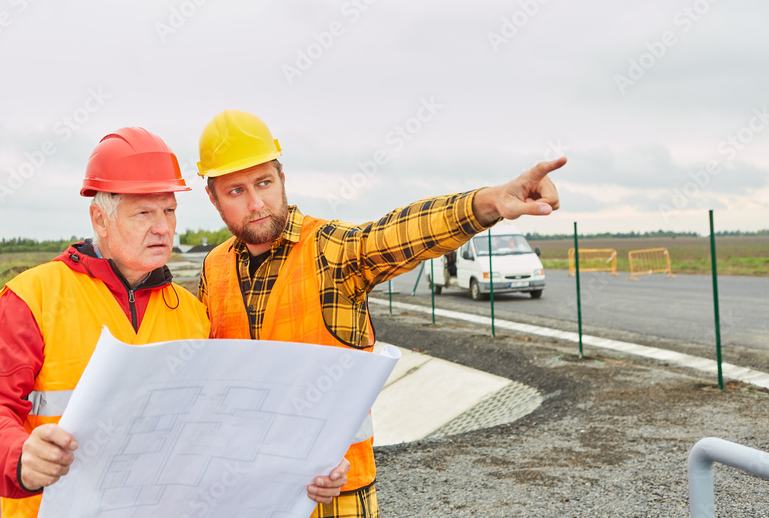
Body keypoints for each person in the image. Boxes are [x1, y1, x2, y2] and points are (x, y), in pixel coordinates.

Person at [0, 127, 349, 518]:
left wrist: (304, 468)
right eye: (144, 213)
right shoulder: (33, 297)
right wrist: (18, 455)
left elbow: (228, 427)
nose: (163, 228)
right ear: (100, 218)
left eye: (169, 211)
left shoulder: (192, 315)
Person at [196, 110, 566, 518]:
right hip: (250, 495)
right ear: (213, 199)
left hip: (339, 497)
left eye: (264, 183)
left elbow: (399, 234)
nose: (256, 203)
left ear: (282, 178)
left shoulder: (330, 250)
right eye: (235, 191)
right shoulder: (213, 270)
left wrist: (488, 203)